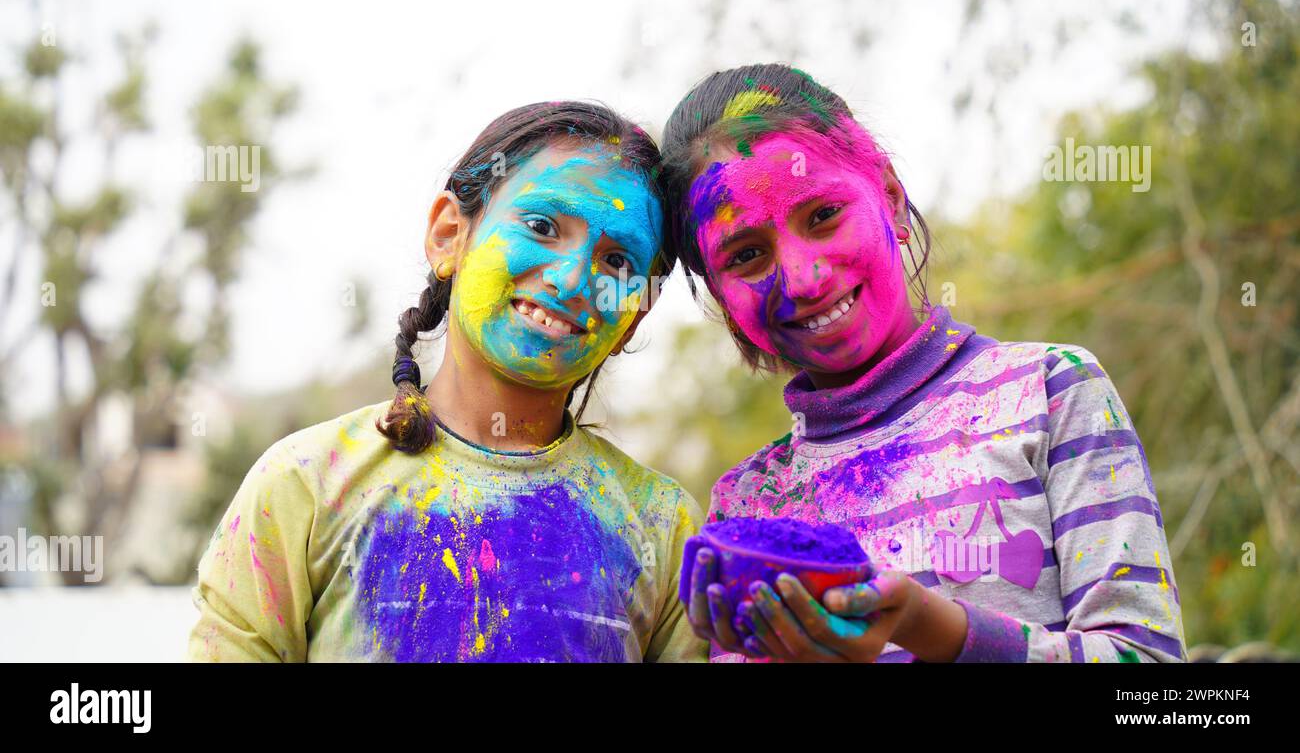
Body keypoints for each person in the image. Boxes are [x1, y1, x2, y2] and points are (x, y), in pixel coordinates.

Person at [658, 64, 1186, 663]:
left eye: (823, 216)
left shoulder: (1050, 392)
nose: (804, 279)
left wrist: (929, 626)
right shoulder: (750, 504)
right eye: (748, 254)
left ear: (890, 197)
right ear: (722, 298)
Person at [187, 101, 705, 663]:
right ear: (448, 234)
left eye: (618, 262)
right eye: (542, 226)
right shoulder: (303, 487)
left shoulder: (663, 529)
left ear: (636, 314)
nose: (574, 278)